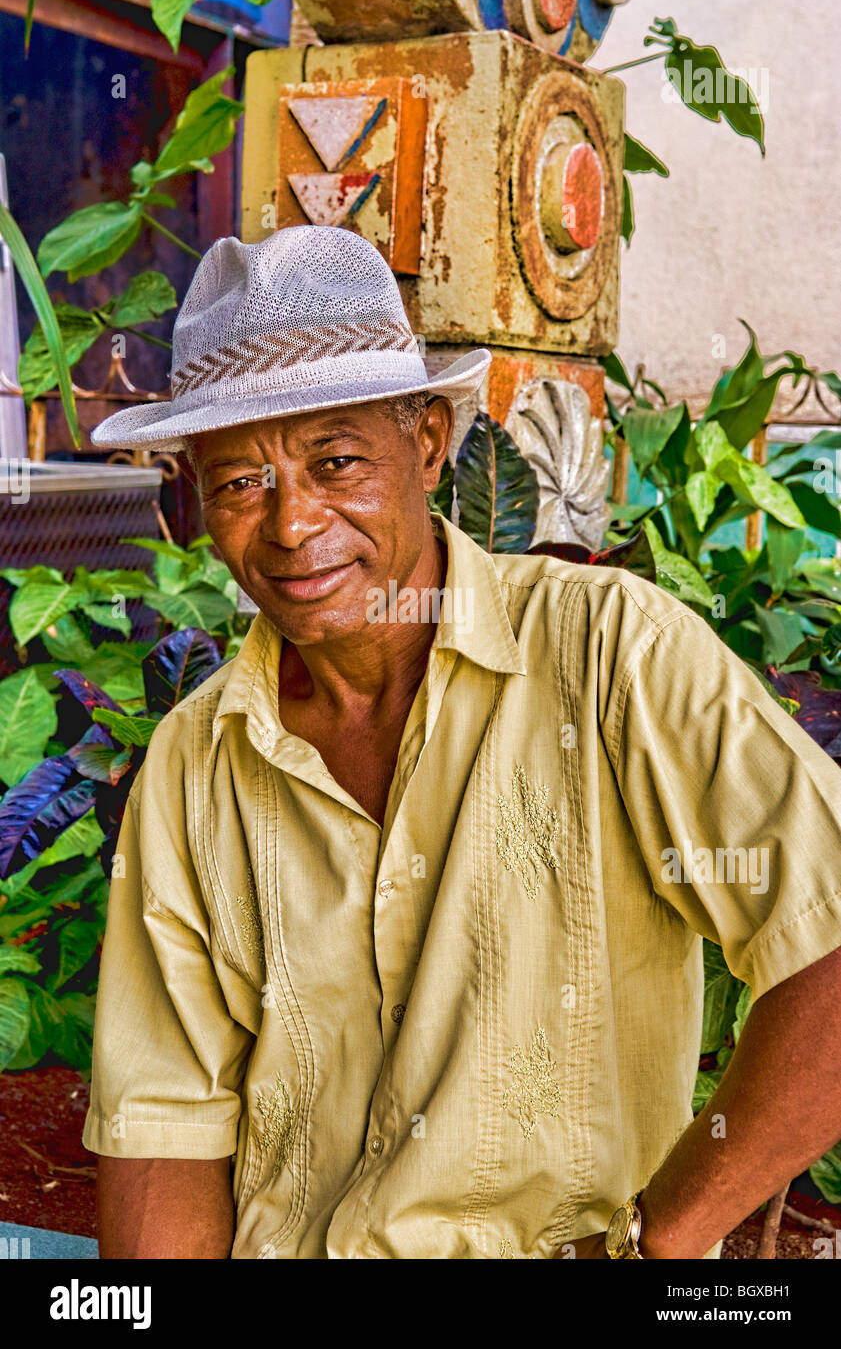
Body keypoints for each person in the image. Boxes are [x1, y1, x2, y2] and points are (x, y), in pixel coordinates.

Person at [82, 225, 841, 1260]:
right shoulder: (194, 761)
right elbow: (162, 1130)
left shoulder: (609, 655)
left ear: (429, 442)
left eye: (335, 460)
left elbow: (827, 943)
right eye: (238, 482)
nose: (293, 525)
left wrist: (660, 1241)